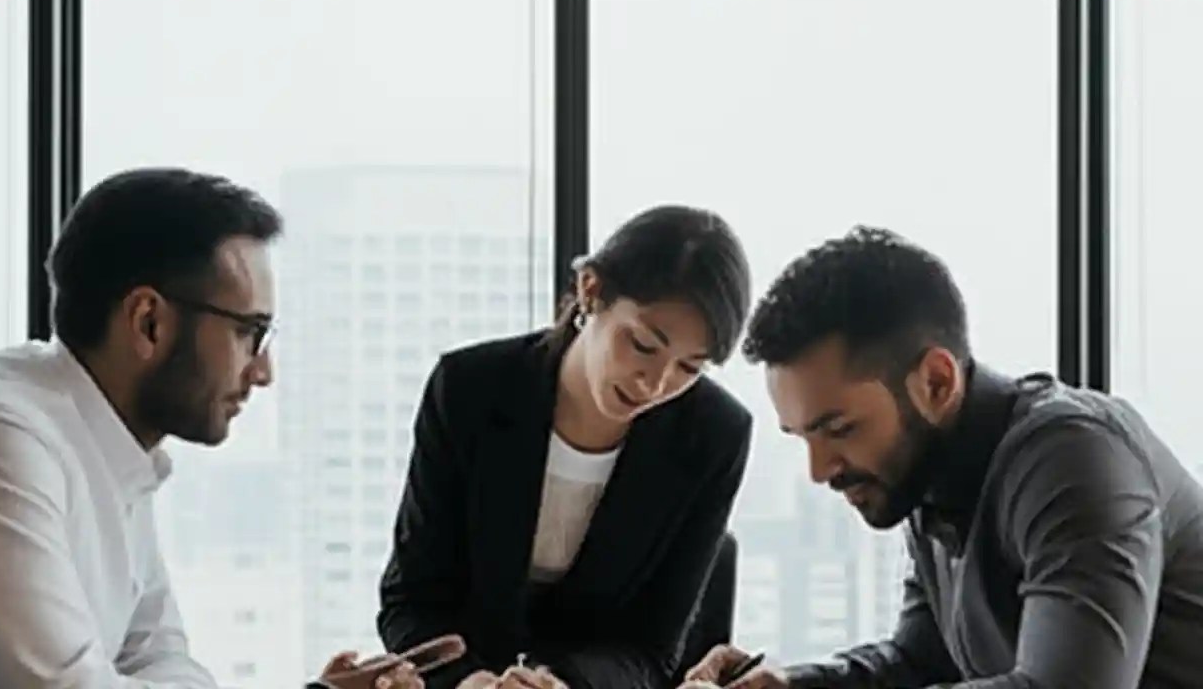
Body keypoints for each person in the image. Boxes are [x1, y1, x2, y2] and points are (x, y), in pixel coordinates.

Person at [0, 168, 419, 689]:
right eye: (249, 333)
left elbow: (163, 661)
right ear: (148, 322)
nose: (263, 372)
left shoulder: (110, 446)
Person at [682, 226, 1203, 689]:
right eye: (802, 437)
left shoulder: (1074, 459)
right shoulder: (926, 477)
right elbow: (920, 661)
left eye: (839, 429)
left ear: (936, 381)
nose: (820, 470)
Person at [378, 205, 755, 689]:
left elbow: (653, 647)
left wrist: (560, 684)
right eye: (642, 344)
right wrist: (469, 682)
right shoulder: (469, 390)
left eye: (689, 368)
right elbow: (411, 600)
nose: (654, 384)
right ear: (591, 291)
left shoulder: (714, 434)